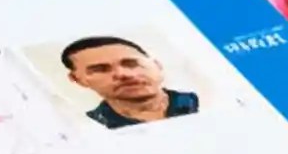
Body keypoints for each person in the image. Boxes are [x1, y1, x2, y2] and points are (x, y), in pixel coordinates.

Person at [60, 36, 199, 129]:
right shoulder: (87, 128)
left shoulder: (201, 103)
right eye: (100, 69)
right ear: (77, 79)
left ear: (157, 65)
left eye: (132, 64)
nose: (123, 74)